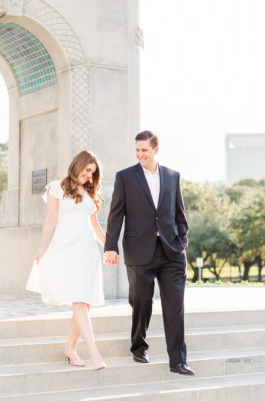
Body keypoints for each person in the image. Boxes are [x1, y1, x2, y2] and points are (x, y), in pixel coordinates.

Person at [103, 130, 193, 376]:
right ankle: (139, 346)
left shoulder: (173, 176)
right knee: (141, 302)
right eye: (137, 150)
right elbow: (116, 214)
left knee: (175, 306)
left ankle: (178, 361)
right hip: (139, 251)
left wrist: (182, 240)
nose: (140, 154)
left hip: (172, 252)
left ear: (156, 149)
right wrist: (110, 246)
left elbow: (179, 214)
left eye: (144, 150)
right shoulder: (125, 177)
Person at [26, 150, 107, 370]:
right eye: (87, 170)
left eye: (93, 172)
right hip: (66, 251)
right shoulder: (56, 188)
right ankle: (94, 353)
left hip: (88, 251)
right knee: (79, 302)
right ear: (77, 165)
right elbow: (50, 220)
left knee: (84, 304)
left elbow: (95, 225)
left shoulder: (90, 192)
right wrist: (41, 249)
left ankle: (70, 349)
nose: (89, 176)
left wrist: (110, 248)